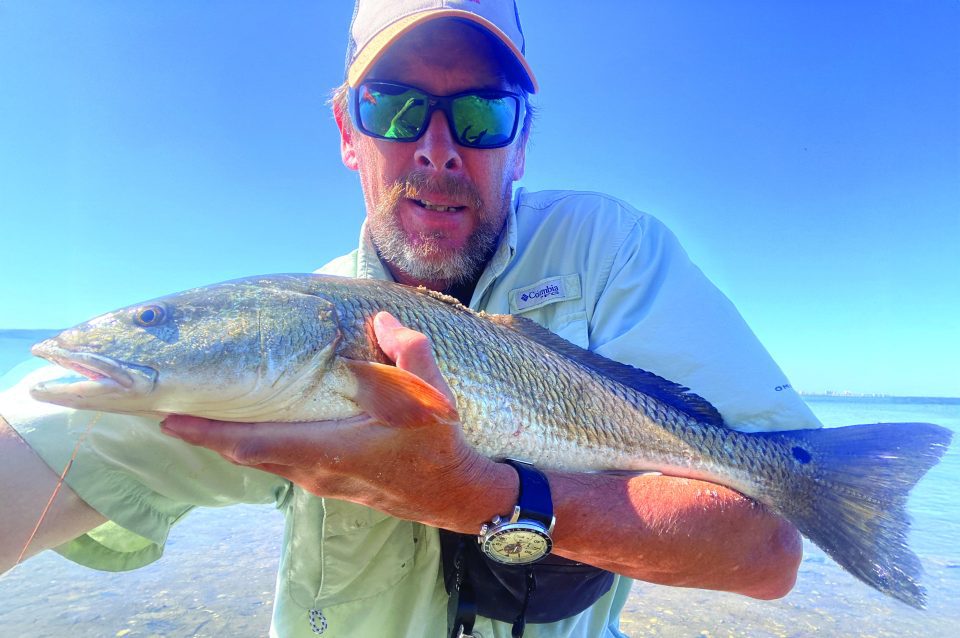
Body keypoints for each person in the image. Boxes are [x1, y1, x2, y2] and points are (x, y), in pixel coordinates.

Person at [0, 1, 822, 636]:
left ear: (523, 142)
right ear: (347, 133)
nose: (435, 147)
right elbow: (31, 448)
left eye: (481, 114)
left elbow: (771, 554)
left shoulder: (606, 253)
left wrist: (487, 497)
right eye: (393, 108)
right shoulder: (256, 361)